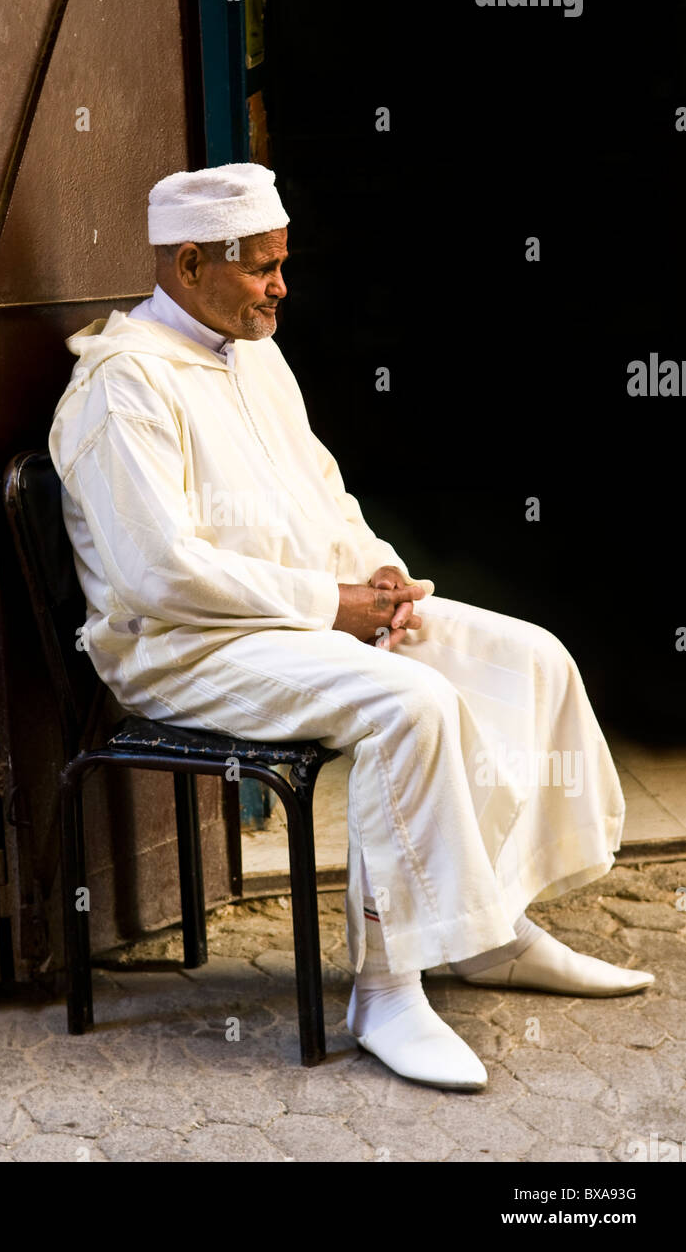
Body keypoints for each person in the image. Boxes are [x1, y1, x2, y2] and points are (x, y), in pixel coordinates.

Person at [49, 163, 653, 1092]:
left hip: (302, 617)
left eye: (283, 262)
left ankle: (485, 929)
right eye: (261, 267)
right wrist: (333, 608)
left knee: (527, 658)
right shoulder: (122, 385)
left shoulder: (252, 354)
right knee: (407, 704)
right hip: (185, 650)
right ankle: (385, 988)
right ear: (191, 262)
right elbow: (157, 573)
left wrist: (373, 568)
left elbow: (319, 489)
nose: (281, 286)